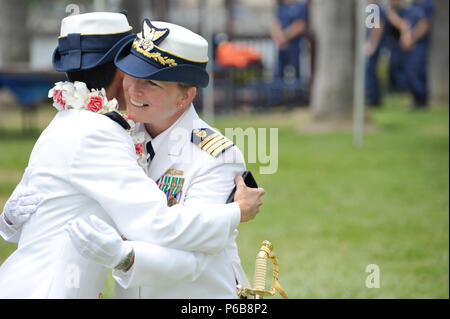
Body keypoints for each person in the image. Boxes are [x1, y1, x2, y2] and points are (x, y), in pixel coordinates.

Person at [0, 12, 263, 299]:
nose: (134, 89)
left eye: (152, 83)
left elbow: (196, 258)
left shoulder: (216, 156)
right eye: (131, 74)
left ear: (185, 96)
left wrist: (125, 257)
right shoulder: (112, 131)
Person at [270, 0, 307, 105]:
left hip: (294, 46)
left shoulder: (300, 7)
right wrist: (278, 37)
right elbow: (276, 24)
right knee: (278, 74)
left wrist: (285, 36)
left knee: (297, 74)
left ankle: (298, 99)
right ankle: (276, 100)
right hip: (282, 46)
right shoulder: (282, 7)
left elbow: (300, 25)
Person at [401, 0, 434, 108]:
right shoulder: (413, 5)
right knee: (410, 72)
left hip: (419, 45)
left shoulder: (427, 4)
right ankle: (416, 99)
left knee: (416, 72)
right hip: (410, 43)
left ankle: (421, 101)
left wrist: (412, 39)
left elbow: (424, 25)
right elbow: (406, 23)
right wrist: (405, 37)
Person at [365, 0, 386, 107]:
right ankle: (374, 97)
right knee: (370, 71)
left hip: (374, 46)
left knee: (370, 71)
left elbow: (378, 28)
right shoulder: (372, 8)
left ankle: (374, 99)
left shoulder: (375, 8)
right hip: (372, 45)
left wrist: (372, 45)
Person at [385, 0, 408, 92]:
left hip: (399, 43)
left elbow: (403, 25)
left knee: (398, 65)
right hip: (390, 42)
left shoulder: (403, 11)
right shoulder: (390, 10)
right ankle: (393, 87)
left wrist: (390, 15)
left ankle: (401, 88)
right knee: (392, 66)